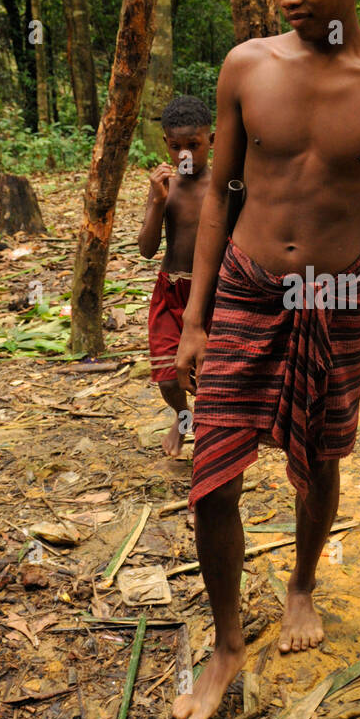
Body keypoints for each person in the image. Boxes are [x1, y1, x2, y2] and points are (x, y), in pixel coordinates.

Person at [171, 0, 360, 719]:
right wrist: (197, 317)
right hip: (247, 285)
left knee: (320, 458)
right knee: (212, 475)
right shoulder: (248, 67)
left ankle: (302, 585)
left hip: (336, 296)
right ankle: (223, 646)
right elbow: (220, 196)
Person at [138, 95, 213, 457]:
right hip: (170, 291)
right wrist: (156, 200)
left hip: (212, 294)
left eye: (193, 146)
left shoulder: (225, 188)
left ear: (211, 140)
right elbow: (147, 248)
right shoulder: (165, 189)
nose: (184, 155)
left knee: (205, 372)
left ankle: (213, 429)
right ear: (165, 144)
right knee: (168, 378)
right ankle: (183, 417)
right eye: (175, 147)